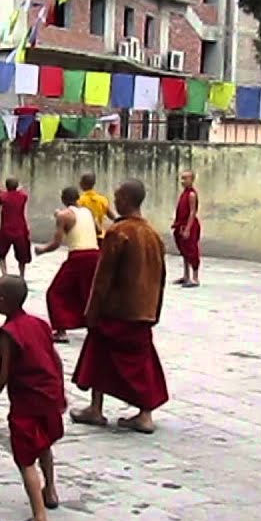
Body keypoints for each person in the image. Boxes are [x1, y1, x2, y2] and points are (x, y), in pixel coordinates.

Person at [69, 179, 170, 434]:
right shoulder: (154, 235)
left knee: (98, 354)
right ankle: (144, 414)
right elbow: (161, 278)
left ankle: (96, 408)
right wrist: (154, 309)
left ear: (126, 199)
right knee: (143, 360)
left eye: (117, 196)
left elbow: (103, 277)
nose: (115, 201)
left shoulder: (119, 232)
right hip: (143, 309)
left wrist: (92, 310)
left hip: (116, 309)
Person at [0, 275, 66, 521]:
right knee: (44, 444)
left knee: (25, 458)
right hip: (48, 396)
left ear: (3, 301)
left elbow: (3, 374)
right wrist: (60, 392)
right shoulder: (39, 325)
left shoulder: (9, 333)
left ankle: (40, 520)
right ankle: (50, 491)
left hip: (27, 402)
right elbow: (56, 360)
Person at [35, 187, 100, 344]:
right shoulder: (88, 212)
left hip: (78, 256)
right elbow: (98, 230)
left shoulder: (64, 216)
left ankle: (61, 330)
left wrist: (42, 250)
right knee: (88, 293)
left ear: (63, 199)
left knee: (55, 292)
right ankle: (95, 326)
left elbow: (56, 243)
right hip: (95, 255)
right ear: (78, 198)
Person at [0, 178, 31, 277]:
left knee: (1, 253)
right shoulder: (23, 196)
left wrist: (1, 193)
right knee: (22, 255)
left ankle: (4, 273)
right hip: (20, 230)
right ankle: (22, 275)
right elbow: (20, 193)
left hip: (6, 229)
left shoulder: (3, 197)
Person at [171, 170, 201, 288]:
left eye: (186, 178)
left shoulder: (192, 194)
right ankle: (186, 275)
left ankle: (195, 277)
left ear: (192, 180)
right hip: (181, 225)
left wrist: (188, 228)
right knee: (184, 251)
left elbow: (193, 212)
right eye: (182, 178)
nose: (183, 181)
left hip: (190, 225)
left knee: (192, 251)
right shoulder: (184, 194)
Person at [76, 174, 113, 240]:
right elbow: (111, 216)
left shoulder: (80, 200)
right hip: (100, 235)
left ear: (82, 183)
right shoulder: (102, 199)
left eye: (80, 181)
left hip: (85, 236)